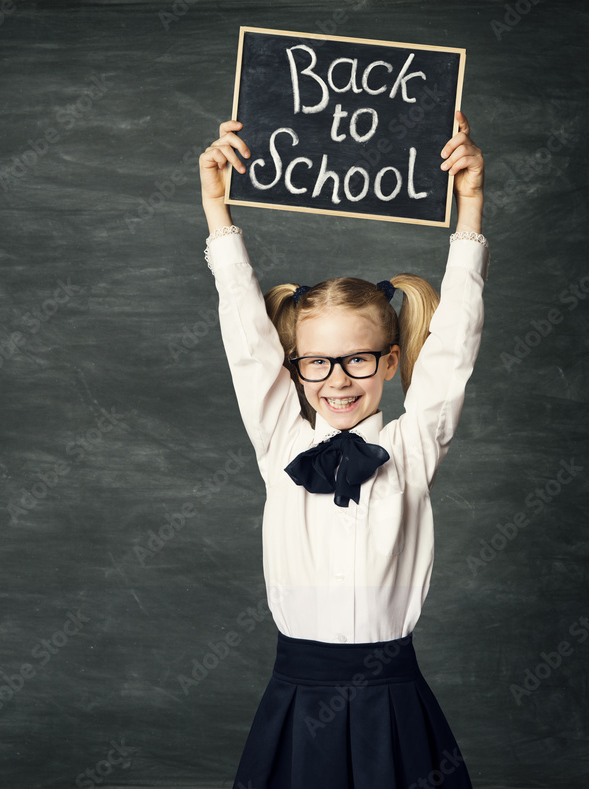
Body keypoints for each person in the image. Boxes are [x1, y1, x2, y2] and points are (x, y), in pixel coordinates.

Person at [198, 112, 487, 789]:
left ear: (389, 362)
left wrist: (470, 207)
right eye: (316, 364)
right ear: (294, 367)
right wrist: (217, 209)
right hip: (298, 701)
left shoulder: (414, 448)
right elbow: (244, 335)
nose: (336, 380)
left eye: (357, 360)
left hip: (395, 702)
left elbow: (454, 346)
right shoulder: (281, 441)